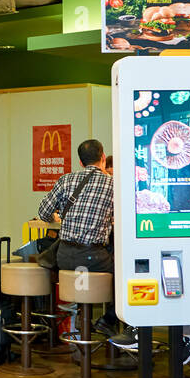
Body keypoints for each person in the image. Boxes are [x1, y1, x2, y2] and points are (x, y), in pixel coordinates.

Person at [38, 138, 134, 346]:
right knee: (126, 273)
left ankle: (73, 324)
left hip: (64, 256)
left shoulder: (65, 180)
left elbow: (43, 212)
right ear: (102, 157)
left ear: (80, 162)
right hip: (93, 258)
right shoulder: (113, 184)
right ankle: (110, 320)